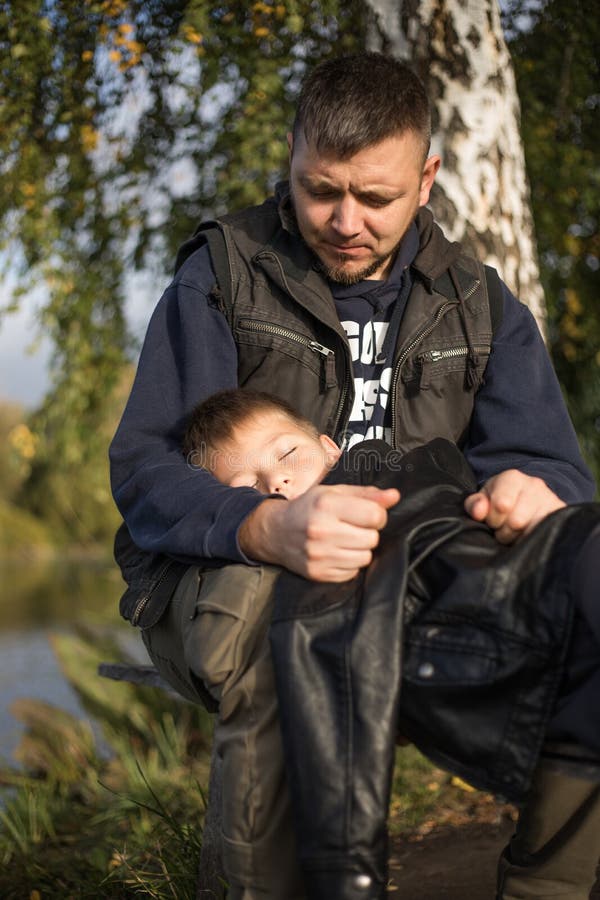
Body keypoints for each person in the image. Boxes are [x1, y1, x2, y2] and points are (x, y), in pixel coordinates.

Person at [109, 52, 598, 899]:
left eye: (374, 197)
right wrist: (259, 524)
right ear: (291, 156)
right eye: (318, 189)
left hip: (414, 572)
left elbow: (552, 463)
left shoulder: (480, 302)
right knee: (285, 631)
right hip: (232, 568)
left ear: (428, 178)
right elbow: (146, 465)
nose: (343, 221)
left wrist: (531, 487)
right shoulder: (221, 275)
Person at [182, 386, 600, 899]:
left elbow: (494, 493)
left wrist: (512, 490)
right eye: (249, 487)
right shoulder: (312, 573)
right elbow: (333, 706)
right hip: (486, 638)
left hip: (540, 567)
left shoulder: (410, 465)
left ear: (331, 447)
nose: (280, 481)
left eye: (288, 453)